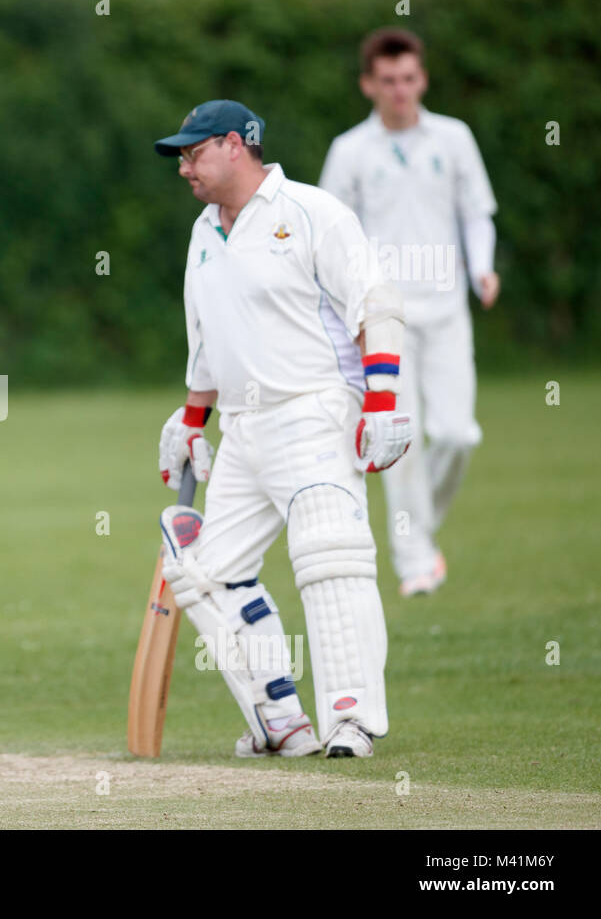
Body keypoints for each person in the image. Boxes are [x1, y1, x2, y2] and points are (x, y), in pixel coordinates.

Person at [152, 100, 412, 758]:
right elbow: (208, 343)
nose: (184, 168)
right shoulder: (203, 233)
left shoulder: (310, 212)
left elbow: (375, 304)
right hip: (242, 429)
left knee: (330, 557)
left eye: (193, 153)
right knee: (208, 574)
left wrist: (383, 400)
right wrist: (190, 421)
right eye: (180, 156)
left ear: (236, 145)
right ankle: (281, 720)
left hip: (314, 411)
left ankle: (351, 721)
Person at [319, 27, 498, 596]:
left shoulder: (453, 138)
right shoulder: (350, 151)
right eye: (388, 80)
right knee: (403, 438)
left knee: (456, 435)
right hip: (383, 318)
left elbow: (476, 213)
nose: (400, 89)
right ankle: (414, 562)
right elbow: (332, 239)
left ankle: (423, 530)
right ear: (368, 84)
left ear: (422, 79)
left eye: (409, 78)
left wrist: (481, 268)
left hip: (446, 313)